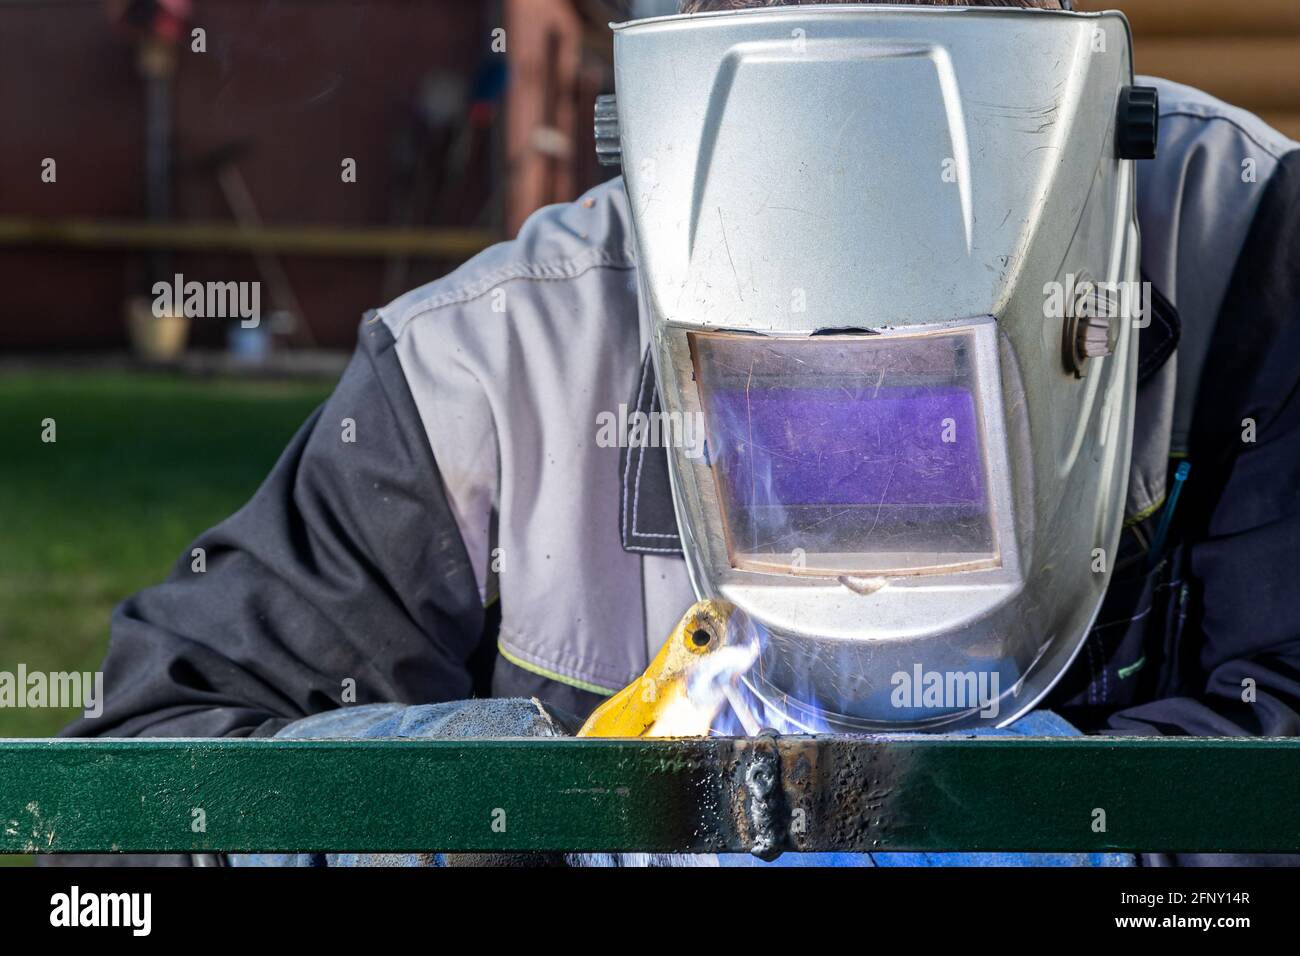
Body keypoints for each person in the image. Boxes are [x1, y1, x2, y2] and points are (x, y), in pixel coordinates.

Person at [60, 0, 1300, 867]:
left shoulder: (1251, 257)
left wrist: (962, 831)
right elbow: (147, 784)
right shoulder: (485, 367)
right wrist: (551, 806)